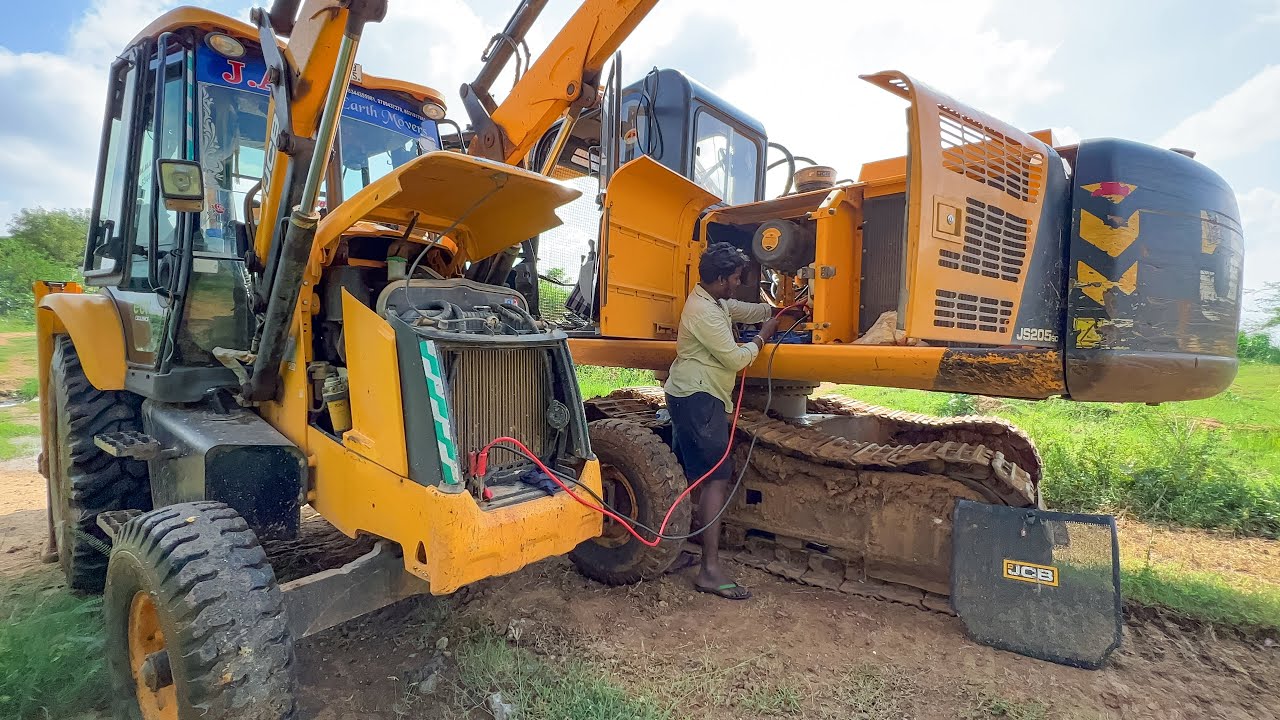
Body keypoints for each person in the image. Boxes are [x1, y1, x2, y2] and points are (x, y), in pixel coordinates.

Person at [664, 242, 802, 600]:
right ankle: (709, 571)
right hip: (699, 398)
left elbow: (748, 309)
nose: (739, 284)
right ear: (721, 278)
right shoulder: (704, 312)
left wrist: (782, 308)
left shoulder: (715, 300)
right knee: (716, 478)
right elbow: (736, 359)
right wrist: (764, 336)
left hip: (690, 395)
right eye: (736, 278)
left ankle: (675, 549)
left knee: (691, 474)